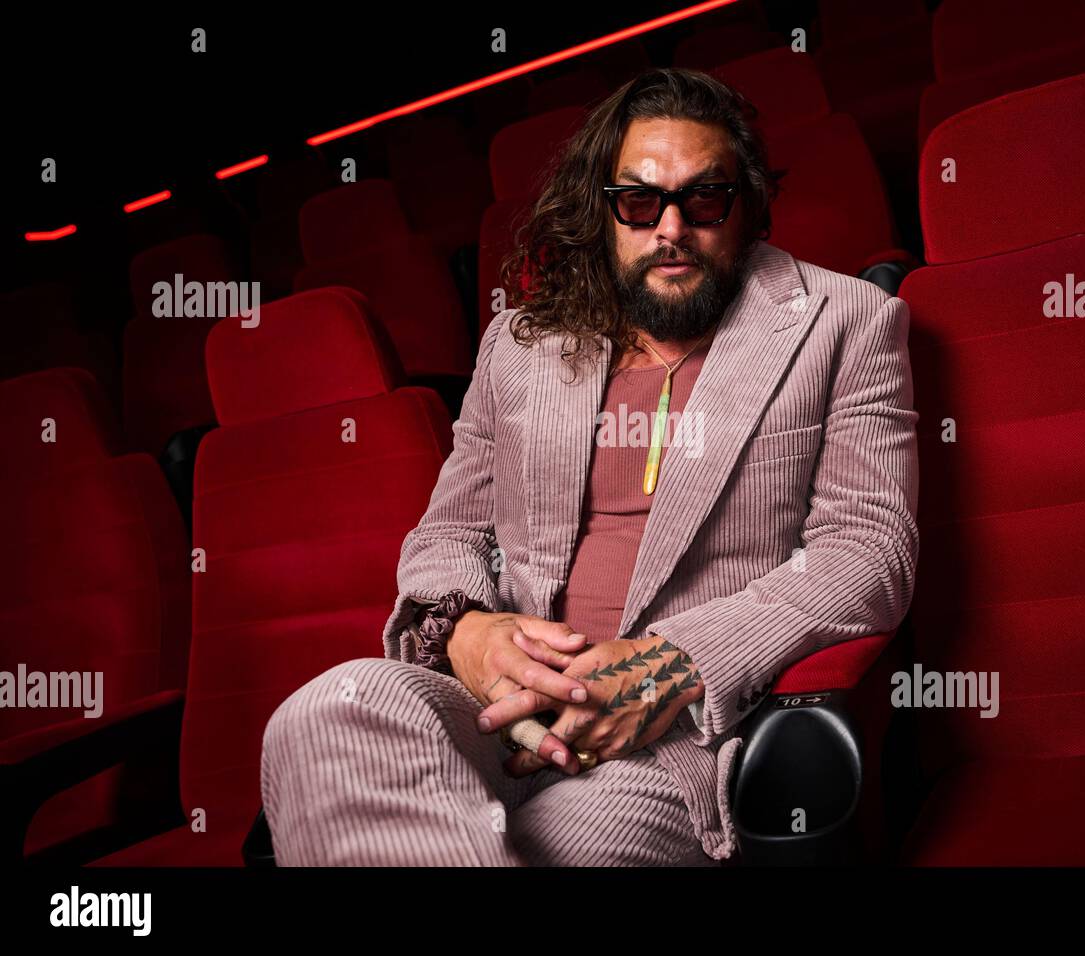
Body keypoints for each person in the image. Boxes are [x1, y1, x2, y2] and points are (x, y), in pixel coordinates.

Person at [260, 67, 920, 866]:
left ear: (745, 208)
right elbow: (448, 532)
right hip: (496, 711)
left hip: (667, 739)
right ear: (605, 213)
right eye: (639, 203)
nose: (669, 229)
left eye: (702, 199)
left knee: (562, 852)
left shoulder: (846, 323)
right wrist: (464, 631)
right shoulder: (522, 344)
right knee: (325, 711)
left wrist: (668, 665)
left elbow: (869, 552)